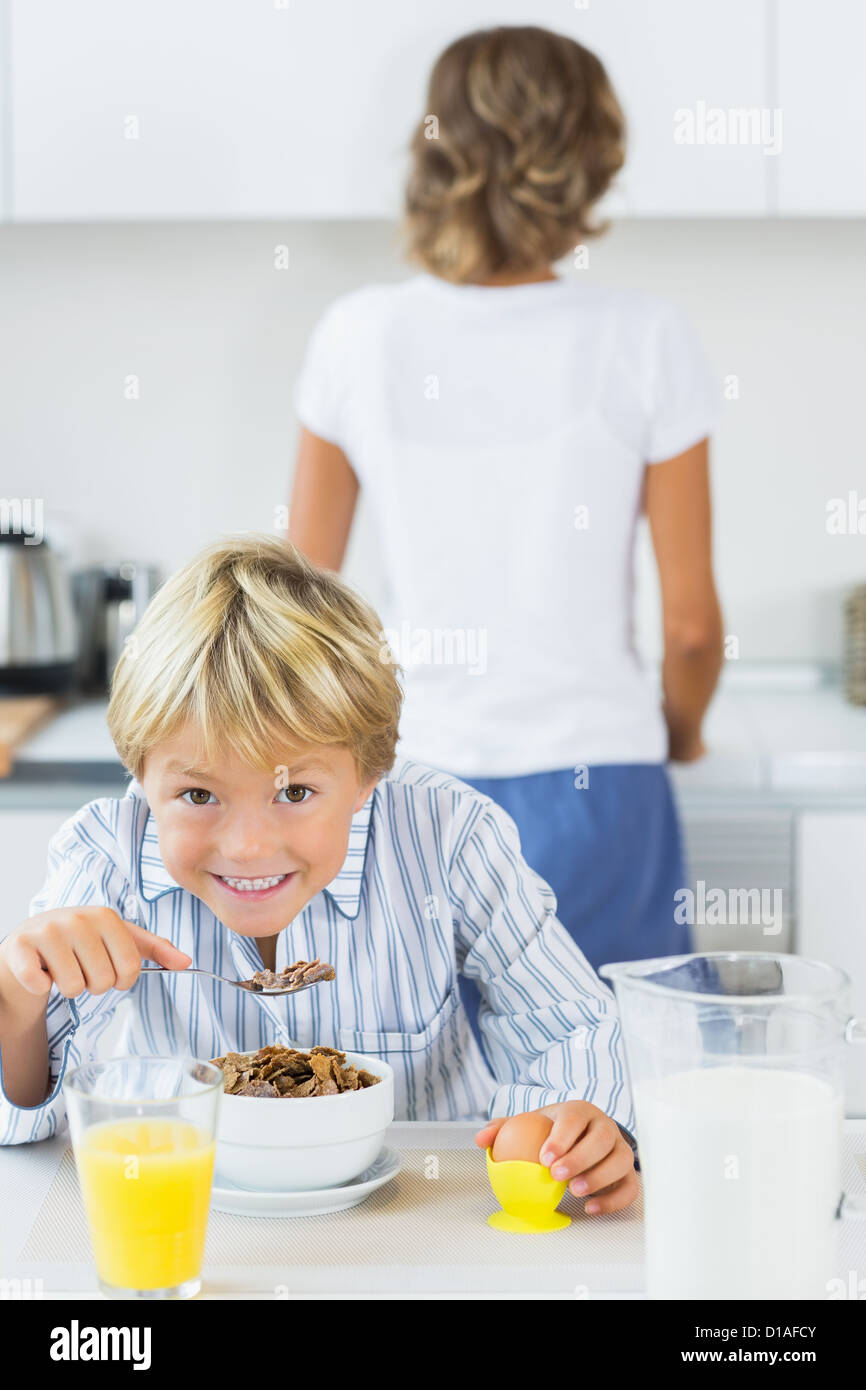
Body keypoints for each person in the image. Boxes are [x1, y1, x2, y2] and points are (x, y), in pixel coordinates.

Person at [287, 25, 724, 1052]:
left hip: (411, 785)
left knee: (419, 1120)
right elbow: (695, 629)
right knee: (613, 1124)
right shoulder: (645, 336)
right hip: (601, 786)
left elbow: (292, 613)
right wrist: (678, 729)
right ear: (589, 159)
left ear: (433, 151)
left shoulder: (359, 334)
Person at [0, 536, 638, 1214]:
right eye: (198, 795)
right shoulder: (108, 853)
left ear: (368, 775)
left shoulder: (446, 833)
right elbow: (26, 1117)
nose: (247, 847)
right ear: (141, 776)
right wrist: (18, 994)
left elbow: (571, 1029)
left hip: (424, 1212)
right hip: (201, 1221)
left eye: (295, 792)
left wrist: (580, 1126)